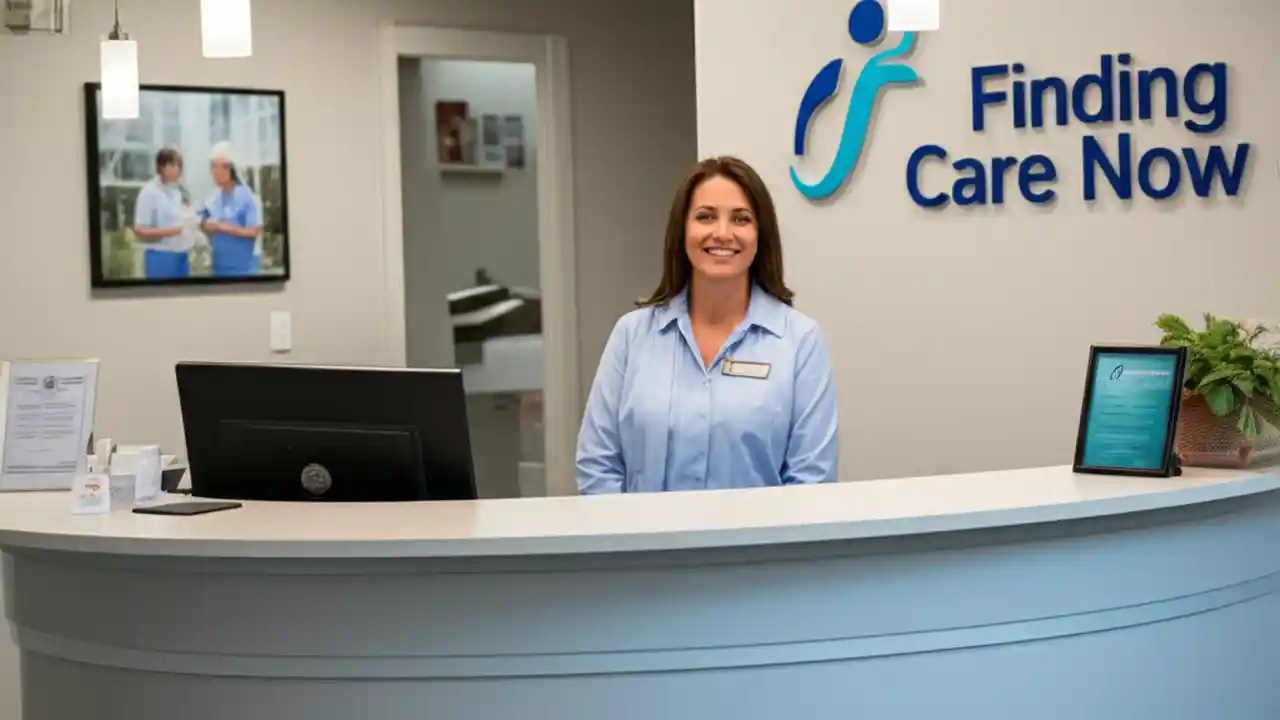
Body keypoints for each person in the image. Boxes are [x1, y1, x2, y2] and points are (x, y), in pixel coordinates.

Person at [576, 156, 839, 494]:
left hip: (759, 547)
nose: (722, 233)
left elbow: (811, 481)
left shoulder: (801, 341)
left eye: (741, 219)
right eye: (705, 217)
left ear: (761, 235)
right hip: (646, 546)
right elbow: (597, 465)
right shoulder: (632, 335)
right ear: (682, 229)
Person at [201, 141, 263, 277]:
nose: (213, 173)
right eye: (211, 168)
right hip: (218, 269)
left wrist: (222, 227)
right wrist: (206, 227)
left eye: (215, 167)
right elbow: (205, 227)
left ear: (229, 169)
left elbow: (254, 231)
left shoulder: (249, 197)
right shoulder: (213, 199)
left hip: (244, 269)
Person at [132, 148, 193, 280]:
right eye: (174, 165)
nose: (178, 169)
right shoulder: (149, 193)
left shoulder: (175, 192)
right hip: (161, 257)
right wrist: (171, 231)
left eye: (179, 165)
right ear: (162, 166)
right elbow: (140, 230)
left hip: (181, 256)